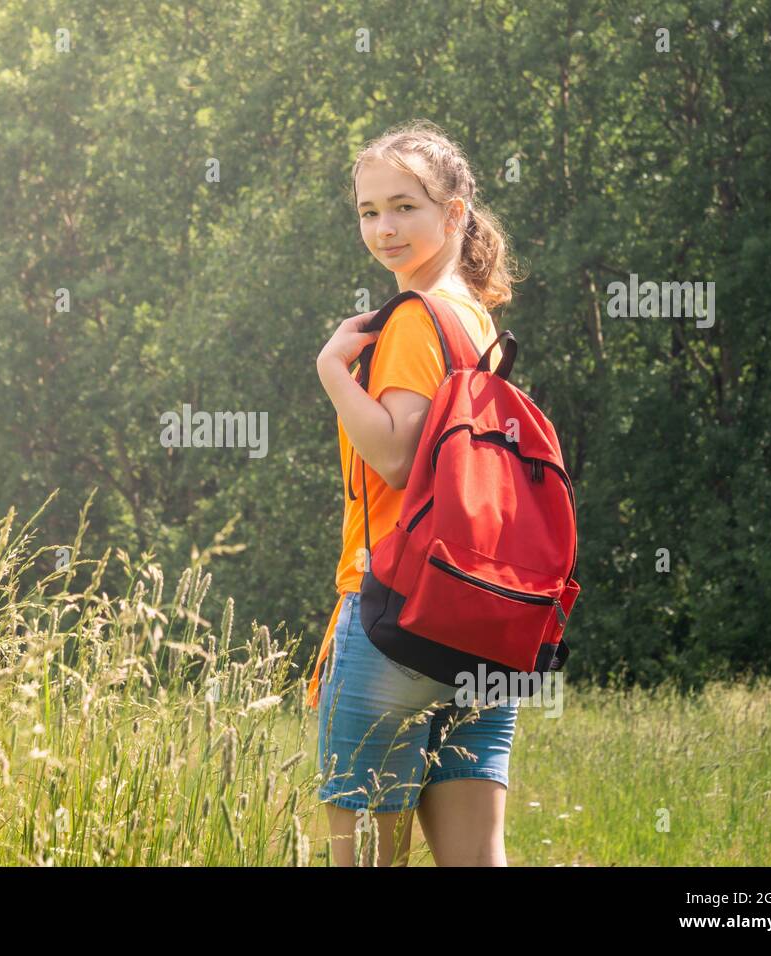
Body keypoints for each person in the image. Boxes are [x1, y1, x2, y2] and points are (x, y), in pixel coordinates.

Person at [311, 119, 520, 867]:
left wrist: (334, 372)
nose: (384, 228)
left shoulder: (410, 322)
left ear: (455, 212)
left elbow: (397, 457)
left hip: (395, 615)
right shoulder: (478, 323)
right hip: (482, 623)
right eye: (369, 211)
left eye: (405, 206)